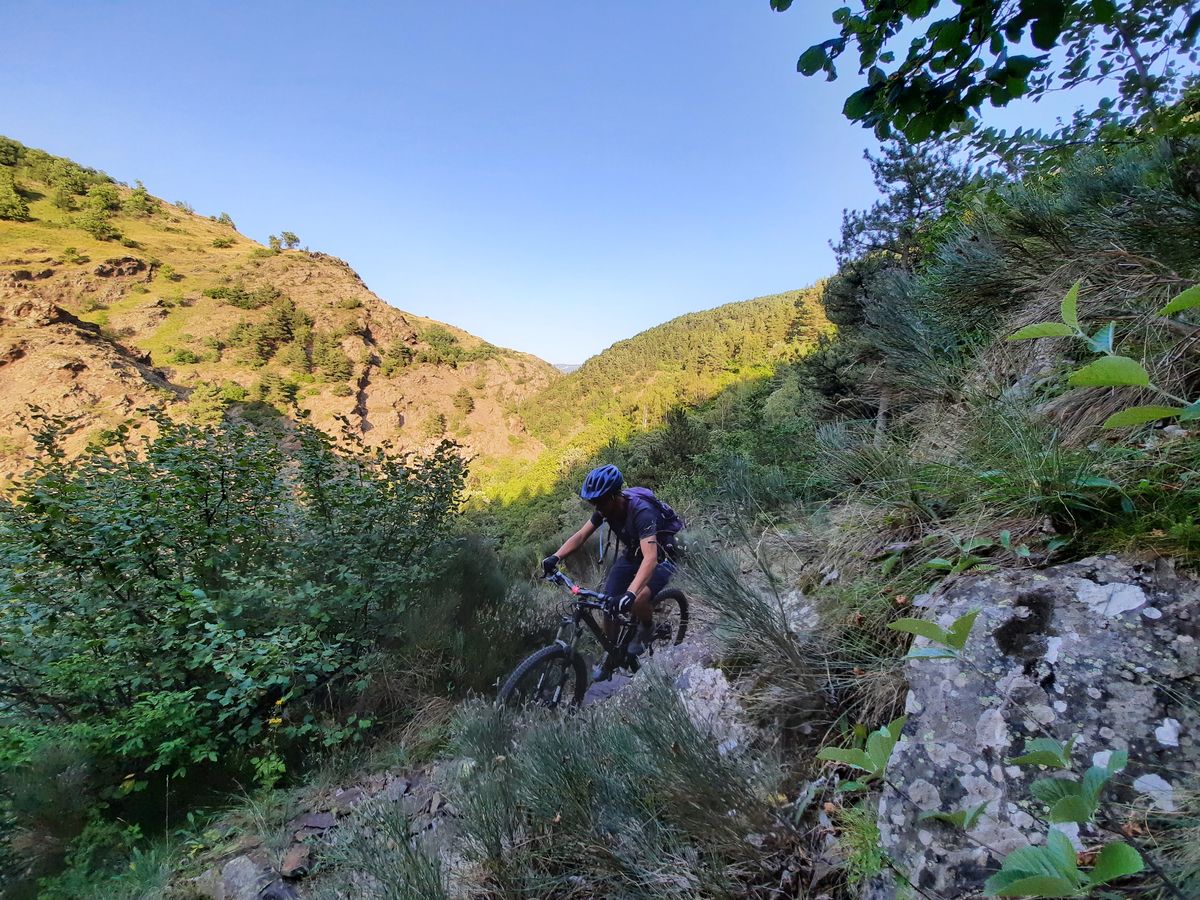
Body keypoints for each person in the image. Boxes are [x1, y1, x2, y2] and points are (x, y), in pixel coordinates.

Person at [541, 464, 684, 677]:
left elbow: (651, 559)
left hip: (662, 554)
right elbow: (581, 536)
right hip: (634, 553)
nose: (596, 508)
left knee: (637, 599)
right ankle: (613, 655)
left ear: (614, 496)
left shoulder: (641, 512)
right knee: (609, 604)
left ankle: (647, 627)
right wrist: (556, 556)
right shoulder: (605, 508)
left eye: (599, 502)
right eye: (593, 503)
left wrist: (630, 594)